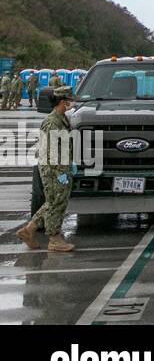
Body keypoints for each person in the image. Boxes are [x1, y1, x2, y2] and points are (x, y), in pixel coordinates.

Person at [17, 87, 77, 252]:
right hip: (53, 168)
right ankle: (54, 238)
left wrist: (70, 163)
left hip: (60, 165)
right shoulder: (52, 122)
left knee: (53, 202)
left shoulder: (61, 118)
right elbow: (52, 152)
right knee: (56, 204)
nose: (72, 102)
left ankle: (28, 231)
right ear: (62, 102)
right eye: (69, 100)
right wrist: (60, 172)